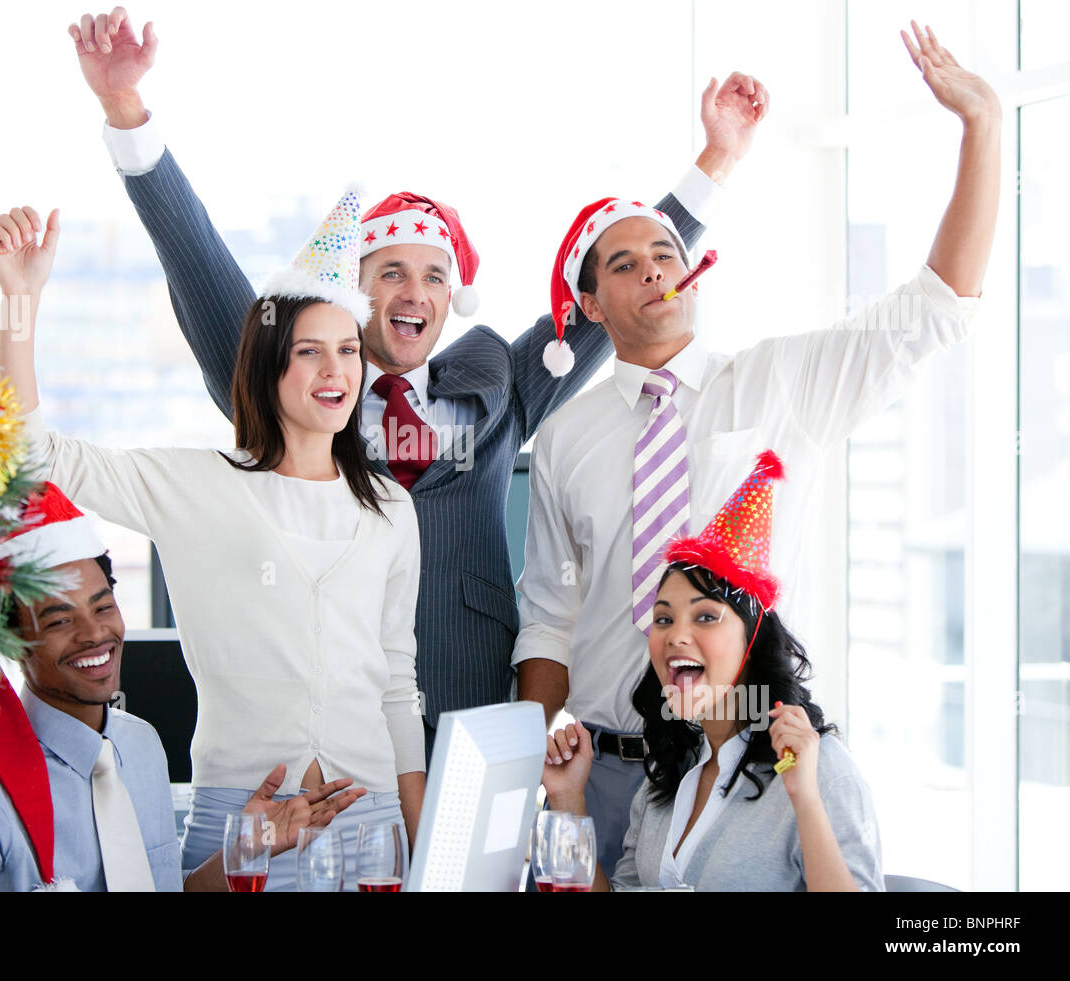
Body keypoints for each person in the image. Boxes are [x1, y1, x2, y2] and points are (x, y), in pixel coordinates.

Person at [65, 6, 768, 756]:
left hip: (470, 712)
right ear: (351, 291)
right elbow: (197, 258)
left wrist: (715, 164)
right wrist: (126, 113)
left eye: (435, 276)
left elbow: (616, 293)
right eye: (391, 272)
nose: (415, 292)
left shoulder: (495, 381)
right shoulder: (296, 384)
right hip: (333, 722)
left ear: (451, 297)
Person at [514, 21, 1000, 878]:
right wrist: (536, 773)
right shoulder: (564, 437)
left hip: (737, 764)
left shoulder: (779, 384)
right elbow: (550, 614)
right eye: (624, 264)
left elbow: (939, 307)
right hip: (600, 768)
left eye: (667, 250)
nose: (656, 269)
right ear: (589, 305)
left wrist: (983, 126)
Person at [0, 186, 426, 891]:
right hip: (245, 826)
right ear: (267, 365)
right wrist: (18, 300)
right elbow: (31, 456)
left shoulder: (391, 510)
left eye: (348, 349)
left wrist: (421, 839)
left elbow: (398, 686)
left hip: (371, 830)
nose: (335, 370)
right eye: (309, 351)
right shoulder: (195, 487)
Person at [0, 482, 365, 891]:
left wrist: (248, 847)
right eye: (59, 620)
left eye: (103, 607)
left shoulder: (140, 744)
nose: (94, 634)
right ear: (11, 642)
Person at [541, 451, 884, 891]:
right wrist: (566, 801)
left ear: (752, 639)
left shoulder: (821, 768)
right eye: (663, 619)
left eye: (705, 617)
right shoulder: (668, 771)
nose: (675, 636)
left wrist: (806, 799)